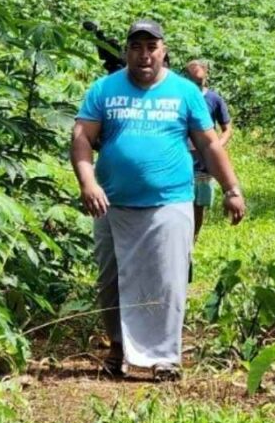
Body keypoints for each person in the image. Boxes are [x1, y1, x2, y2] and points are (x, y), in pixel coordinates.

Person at [71, 20, 247, 381]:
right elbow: (82, 138)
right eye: (136, 47)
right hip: (112, 203)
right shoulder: (103, 89)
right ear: (126, 51)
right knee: (111, 279)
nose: (144, 54)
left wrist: (231, 189)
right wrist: (87, 182)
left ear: (163, 50)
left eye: (151, 46)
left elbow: (209, 144)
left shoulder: (184, 92)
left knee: (167, 279)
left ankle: (165, 357)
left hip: (169, 200)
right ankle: (118, 349)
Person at [183, 59, 233, 237]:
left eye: (200, 81)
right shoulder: (181, 97)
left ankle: (192, 240)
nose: (196, 84)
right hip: (182, 159)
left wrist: (215, 147)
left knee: (199, 205)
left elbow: (227, 128)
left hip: (203, 162)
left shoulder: (214, 99)